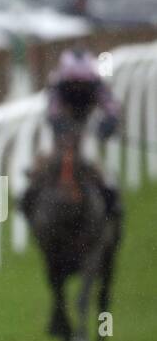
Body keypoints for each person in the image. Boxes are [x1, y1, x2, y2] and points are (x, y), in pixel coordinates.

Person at [22, 48, 123, 225]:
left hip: (86, 132)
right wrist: (63, 127)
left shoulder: (96, 83)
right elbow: (52, 112)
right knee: (40, 168)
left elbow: (111, 108)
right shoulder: (57, 83)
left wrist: (108, 124)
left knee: (99, 170)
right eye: (74, 82)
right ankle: (27, 204)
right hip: (56, 135)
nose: (78, 86)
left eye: (82, 82)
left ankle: (112, 211)